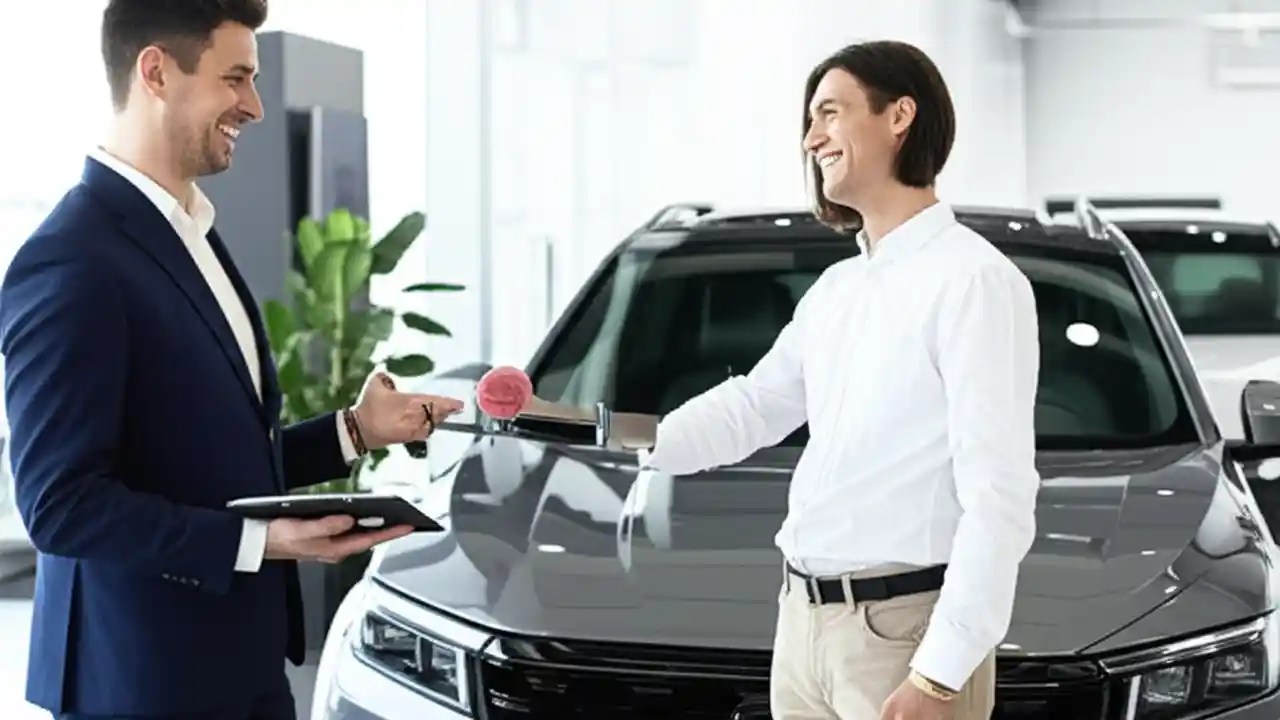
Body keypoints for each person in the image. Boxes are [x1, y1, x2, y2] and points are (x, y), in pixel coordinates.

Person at [0, 1, 463, 717]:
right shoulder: (72, 260)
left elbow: (209, 457)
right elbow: (60, 506)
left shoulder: (191, 232)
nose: (253, 106)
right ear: (156, 71)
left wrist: (356, 430)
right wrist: (260, 540)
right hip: (142, 681)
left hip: (238, 661)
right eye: (236, 78)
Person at [639, 40, 1040, 719]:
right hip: (803, 625)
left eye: (829, 112)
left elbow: (999, 500)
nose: (811, 137)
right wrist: (621, 436)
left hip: (902, 635)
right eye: (810, 118)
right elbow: (759, 405)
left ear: (899, 116)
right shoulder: (839, 287)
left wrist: (939, 676)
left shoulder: (975, 280)